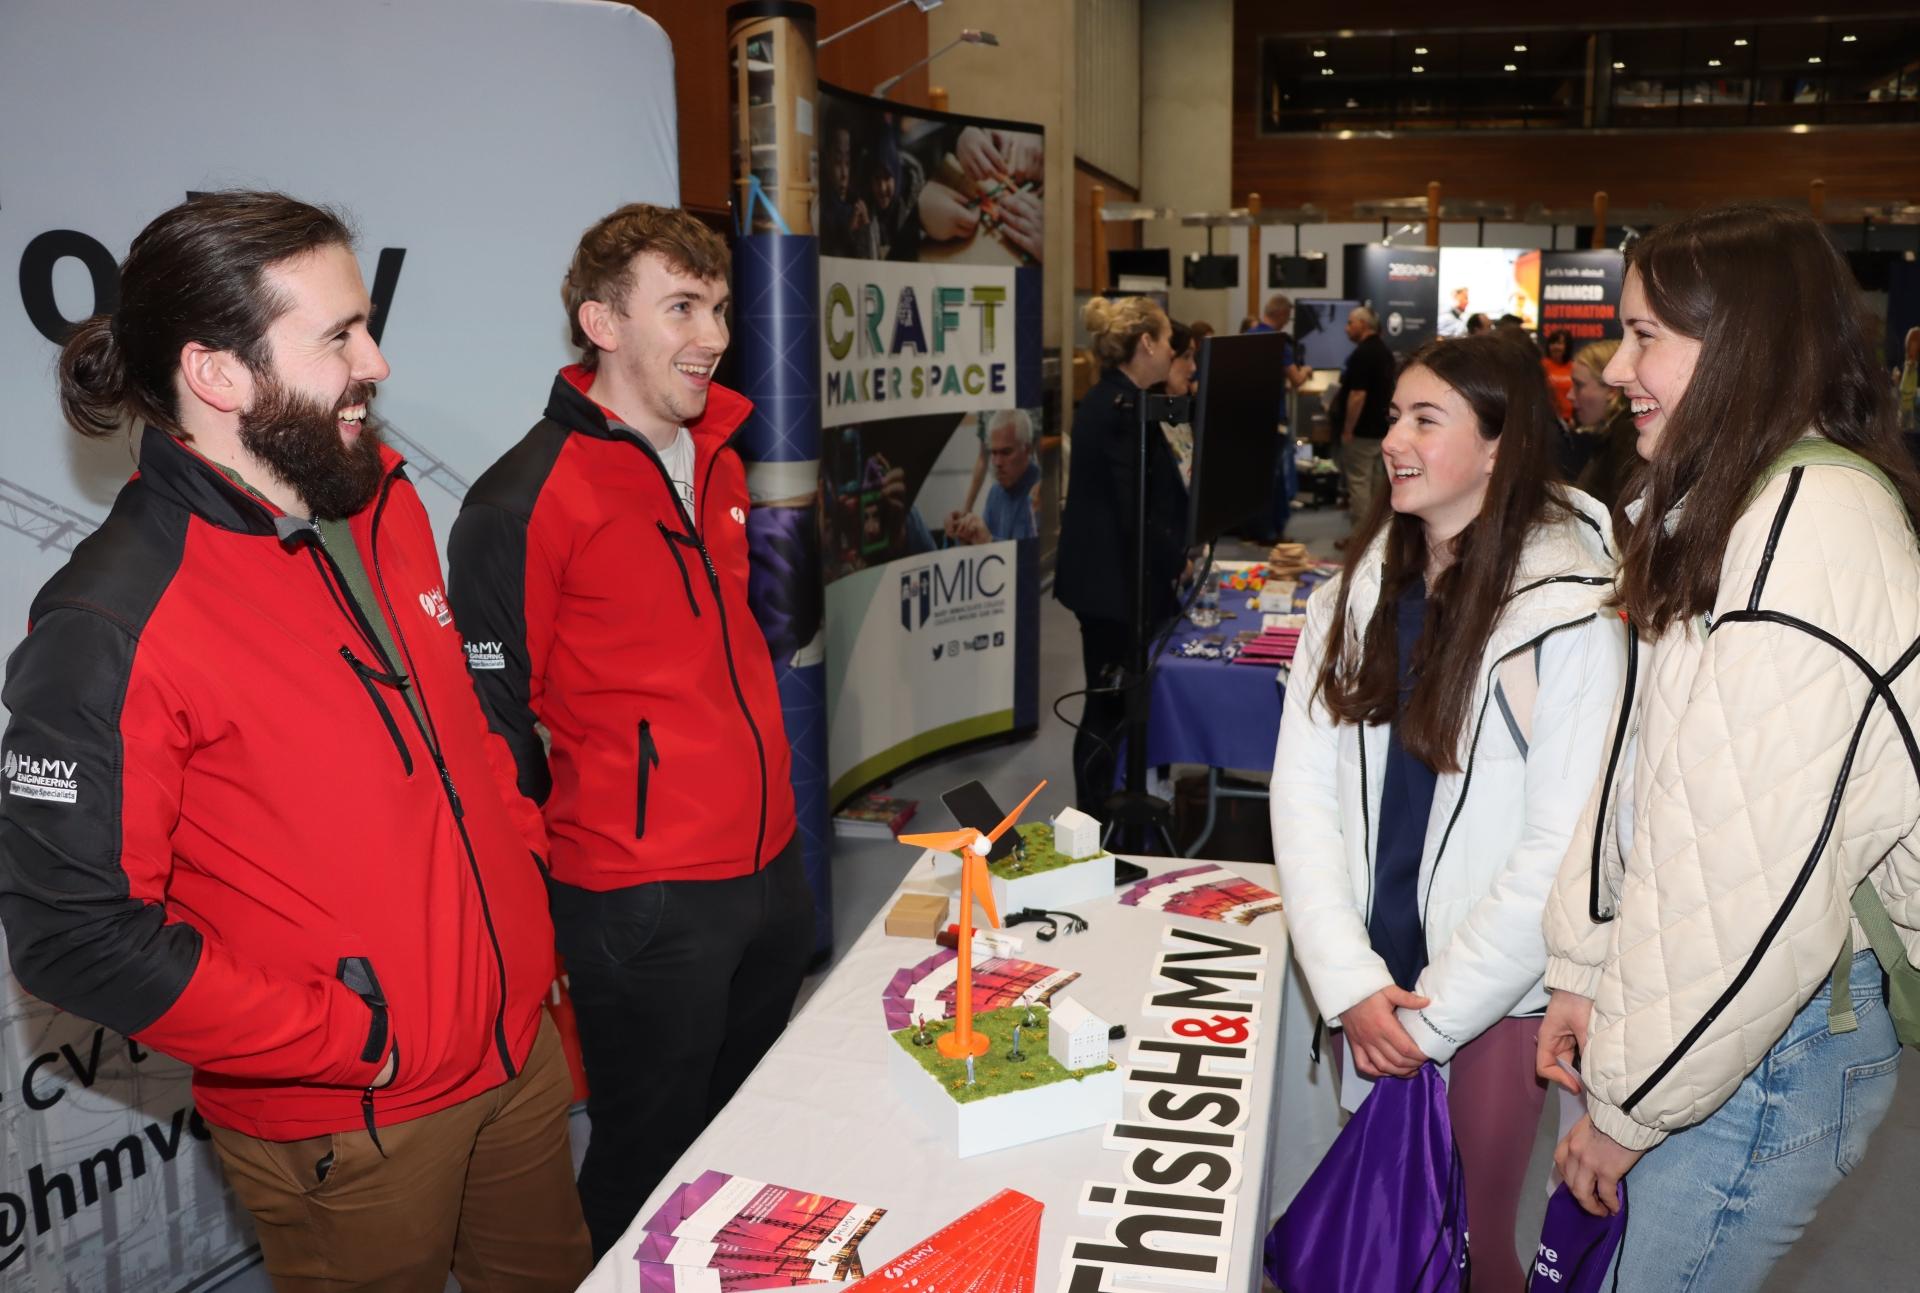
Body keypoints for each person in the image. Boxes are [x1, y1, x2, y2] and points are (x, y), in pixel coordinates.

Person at [0, 191, 589, 1290]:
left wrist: (525, 903)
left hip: (515, 1051)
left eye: (368, 326)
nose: (377, 363)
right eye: (340, 336)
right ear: (218, 374)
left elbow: (462, 737)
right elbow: (73, 937)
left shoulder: (381, 502)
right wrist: (349, 1038)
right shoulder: (112, 621)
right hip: (351, 1120)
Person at [1539, 203, 1920, 1290]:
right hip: (1720, 1024)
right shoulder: (1737, 508)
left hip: (1768, 1044)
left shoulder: (1808, 535)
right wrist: (1585, 961)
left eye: (1645, 335)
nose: (1617, 369)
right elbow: (1649, 775)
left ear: (1744, 341)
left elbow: (1751, 884)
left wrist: (1629, 1107)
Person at [447, 203, 810, 1258]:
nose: (715, 335)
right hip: (643, 896)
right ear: (601, 324)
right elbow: (490, 724)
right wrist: (541, 901)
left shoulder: (722, 459)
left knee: (752, 1125)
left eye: (721, 309)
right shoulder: (522, 499)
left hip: (771, 866)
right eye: (683, 308)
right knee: (647, 1157)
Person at [1271, 334, 1625, 1293]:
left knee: (1475, 1245)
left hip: (1494, 1002)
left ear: (1500, 447)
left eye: (1426, 420)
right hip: (1370, 981)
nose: (1394, 439)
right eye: (1394, 416)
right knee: (1385, 1234)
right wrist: (1348, 980)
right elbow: (1301, 798)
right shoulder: (1350, 601)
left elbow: (1561, 849)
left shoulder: (1570, 618)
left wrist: (1429, 1024)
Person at [1055, 296, 1186, 817]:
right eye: (1168, 340)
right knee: (1106, 708)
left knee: (1114, 704)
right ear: (1146, 343)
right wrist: (1175, 555)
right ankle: (1091, 818)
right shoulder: (1118, 412)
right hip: (1110, 587)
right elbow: (1136, 510)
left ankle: (1106, 811)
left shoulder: (1121, 401)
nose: (1173, 351)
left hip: (1117, 580)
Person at [1248, 294, 1312, 542]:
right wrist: (1305, 370)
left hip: (1250, 418)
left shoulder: (1247, 337)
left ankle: (1252, 529)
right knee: (1275, 478)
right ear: (1283, 314)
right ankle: (1271, 531)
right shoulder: (1278, 343)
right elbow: (1295, 379)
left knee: (1254, 477)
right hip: (1274, 419)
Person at [1330, 306, 1396, 533]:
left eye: (1350, 323)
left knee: (1359, 485)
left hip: (1362, 433)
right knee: (1377, 488)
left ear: (1363, 324)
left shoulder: (1362, 354)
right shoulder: (1385, 352)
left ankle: (1360, 539)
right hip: (1381, 430)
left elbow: (1358, 395)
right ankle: (1377, 538)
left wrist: (1348, 429)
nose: (1346, 328)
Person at [1557, 339, 1638, 508]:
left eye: (1579, 385)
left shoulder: (1627, 442)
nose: (1570, 395)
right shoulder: (1613, 436)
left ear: (1611, 390)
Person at [947, 409, 1040, 543]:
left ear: (1027, 449)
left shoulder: (1039, 495)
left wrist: (989, 540)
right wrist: (964, 535)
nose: (997, 463)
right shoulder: (995, 492)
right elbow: (983, 542)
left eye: (1006, 452)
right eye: (993, 453)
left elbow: (1029, 554)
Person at [1540, 328, 1576, 422]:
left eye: (1559, 343)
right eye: (1552, 343)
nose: (1555, 346)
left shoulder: (1575, 367)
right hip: (1547, 419)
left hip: (1570, 419)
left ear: (1567, 346)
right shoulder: (1540, 366)